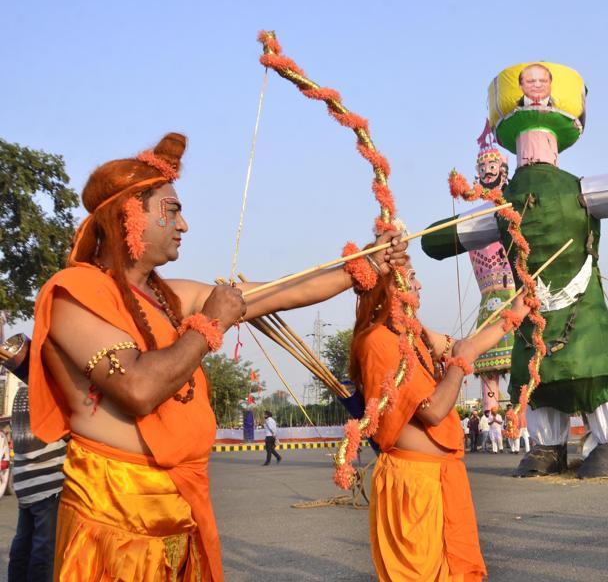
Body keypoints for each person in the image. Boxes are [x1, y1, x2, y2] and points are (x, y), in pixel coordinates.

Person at [27, 133, 408, 581]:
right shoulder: (75, 293)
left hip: (180, 514)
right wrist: (211, 324)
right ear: (128, 214)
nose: (184, 224)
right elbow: (137, 388)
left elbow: (278, 293)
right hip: (113, 522)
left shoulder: (169, 297)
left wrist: (365, 265)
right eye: (171, 210)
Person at [350, 263, 529, 580]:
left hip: (441, 480)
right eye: (413, 278)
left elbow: (467, 346)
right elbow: (433, 410)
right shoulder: (378, 341)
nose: (420, 286)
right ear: (390, 288)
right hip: (412, 485)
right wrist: (459, 365)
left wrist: (513, 318)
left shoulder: (413, 333)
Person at [7, 384, 66, 582]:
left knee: (22, 542)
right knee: (44, 548)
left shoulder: (21, 393)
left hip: (25, 482)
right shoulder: (48, 394)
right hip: (48, 482)